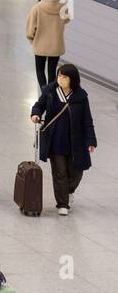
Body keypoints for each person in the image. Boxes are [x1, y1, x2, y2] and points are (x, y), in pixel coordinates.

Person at [31, 63, 98, 216]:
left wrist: (91, 141)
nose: (60, 78)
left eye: (64, 76)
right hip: (55, 140)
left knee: (77, 171)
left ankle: (68, 191)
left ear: (72, 79)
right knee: (59, 172)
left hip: (76, 142)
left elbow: (87, 120)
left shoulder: (81, 97)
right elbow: (39, 105)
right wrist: (35, 114)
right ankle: (62, 203)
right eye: (59, 75)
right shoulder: (50, 92)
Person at [26, 0, 72, 94]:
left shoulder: (37, 7)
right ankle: (51, 92)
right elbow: (67, 19)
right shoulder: (63, 6)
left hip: (40, 45)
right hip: (56, 45)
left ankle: (45, 92)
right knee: (52, 70)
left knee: (40, 70)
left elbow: (30, 30)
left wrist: (33, 40)